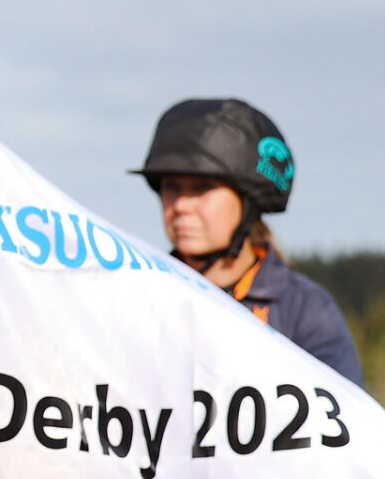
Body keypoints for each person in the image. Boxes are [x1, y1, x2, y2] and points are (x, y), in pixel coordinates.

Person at [135, 98, 363, 384]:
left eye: (202, 188)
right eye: (171, 187)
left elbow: (344, 418)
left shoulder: (304, 310)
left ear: (248, 201)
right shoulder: (140, 295)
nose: (180, 205)